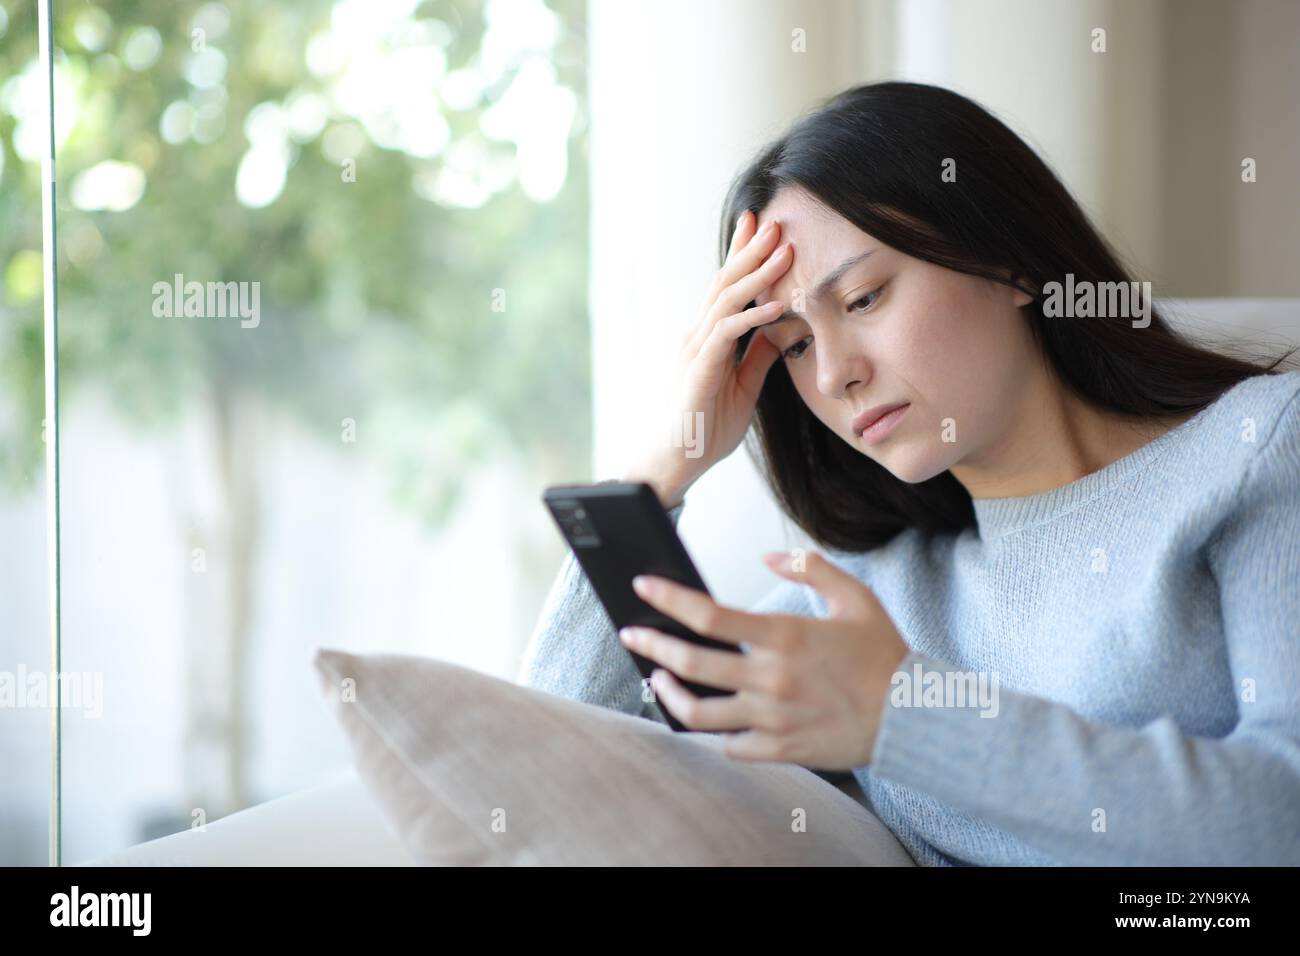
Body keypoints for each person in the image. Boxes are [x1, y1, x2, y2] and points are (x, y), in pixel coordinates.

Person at [518, 81, 1300, 866]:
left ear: (1010, 260)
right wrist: (658, 471)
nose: (832, 375)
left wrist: (906, 717)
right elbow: (558, 777)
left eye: (862, 298)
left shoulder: (1258, 446)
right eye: (792, 344)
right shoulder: (867, 600)